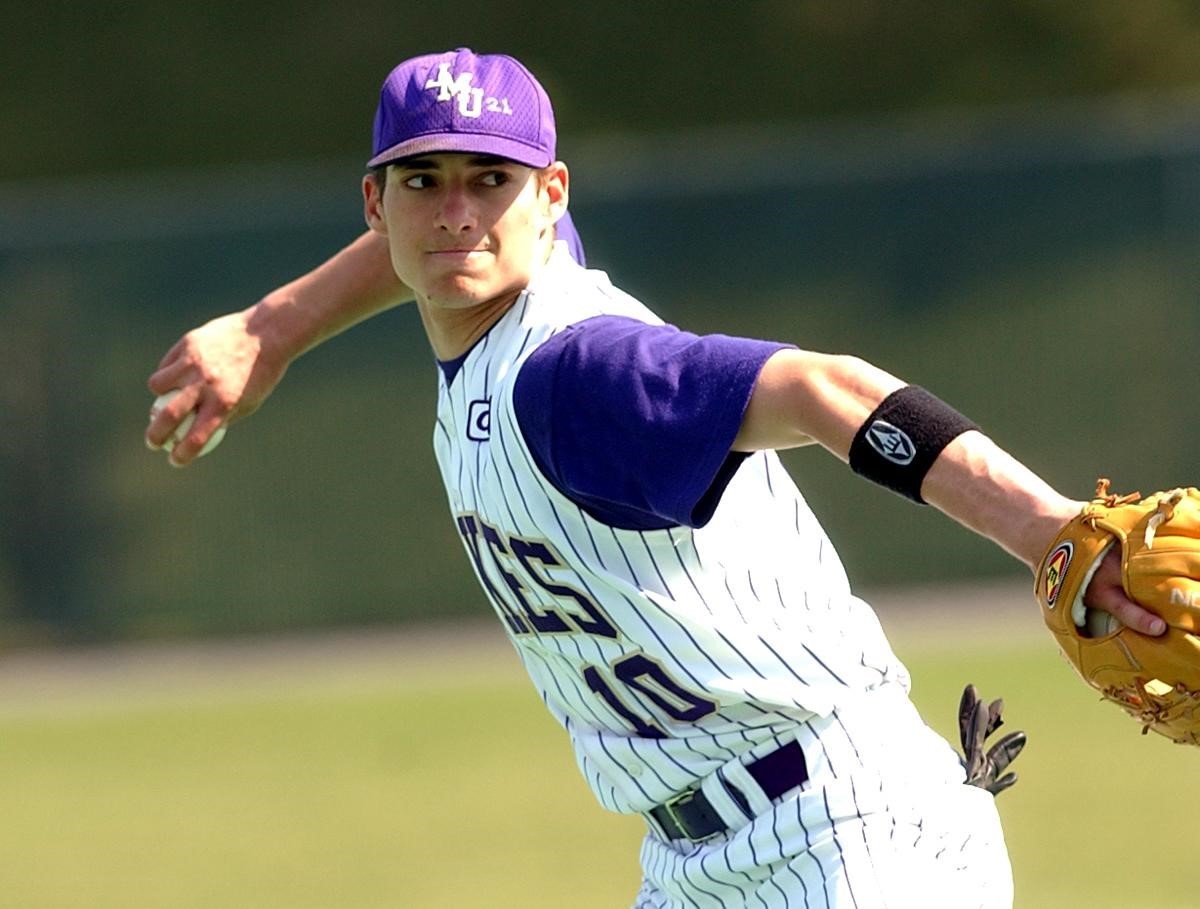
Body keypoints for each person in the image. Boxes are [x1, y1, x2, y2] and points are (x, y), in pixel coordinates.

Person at [145, 48, 1164, 908]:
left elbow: (826, 389)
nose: (458, 213)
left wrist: (1047, 528)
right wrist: (271, 328)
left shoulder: (579, 373)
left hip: (842, 833)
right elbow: (437, 243)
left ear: (551, 196)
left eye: (491, 180)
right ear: (376, 202)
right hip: (697, 862)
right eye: (423, 180)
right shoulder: (492, 295)